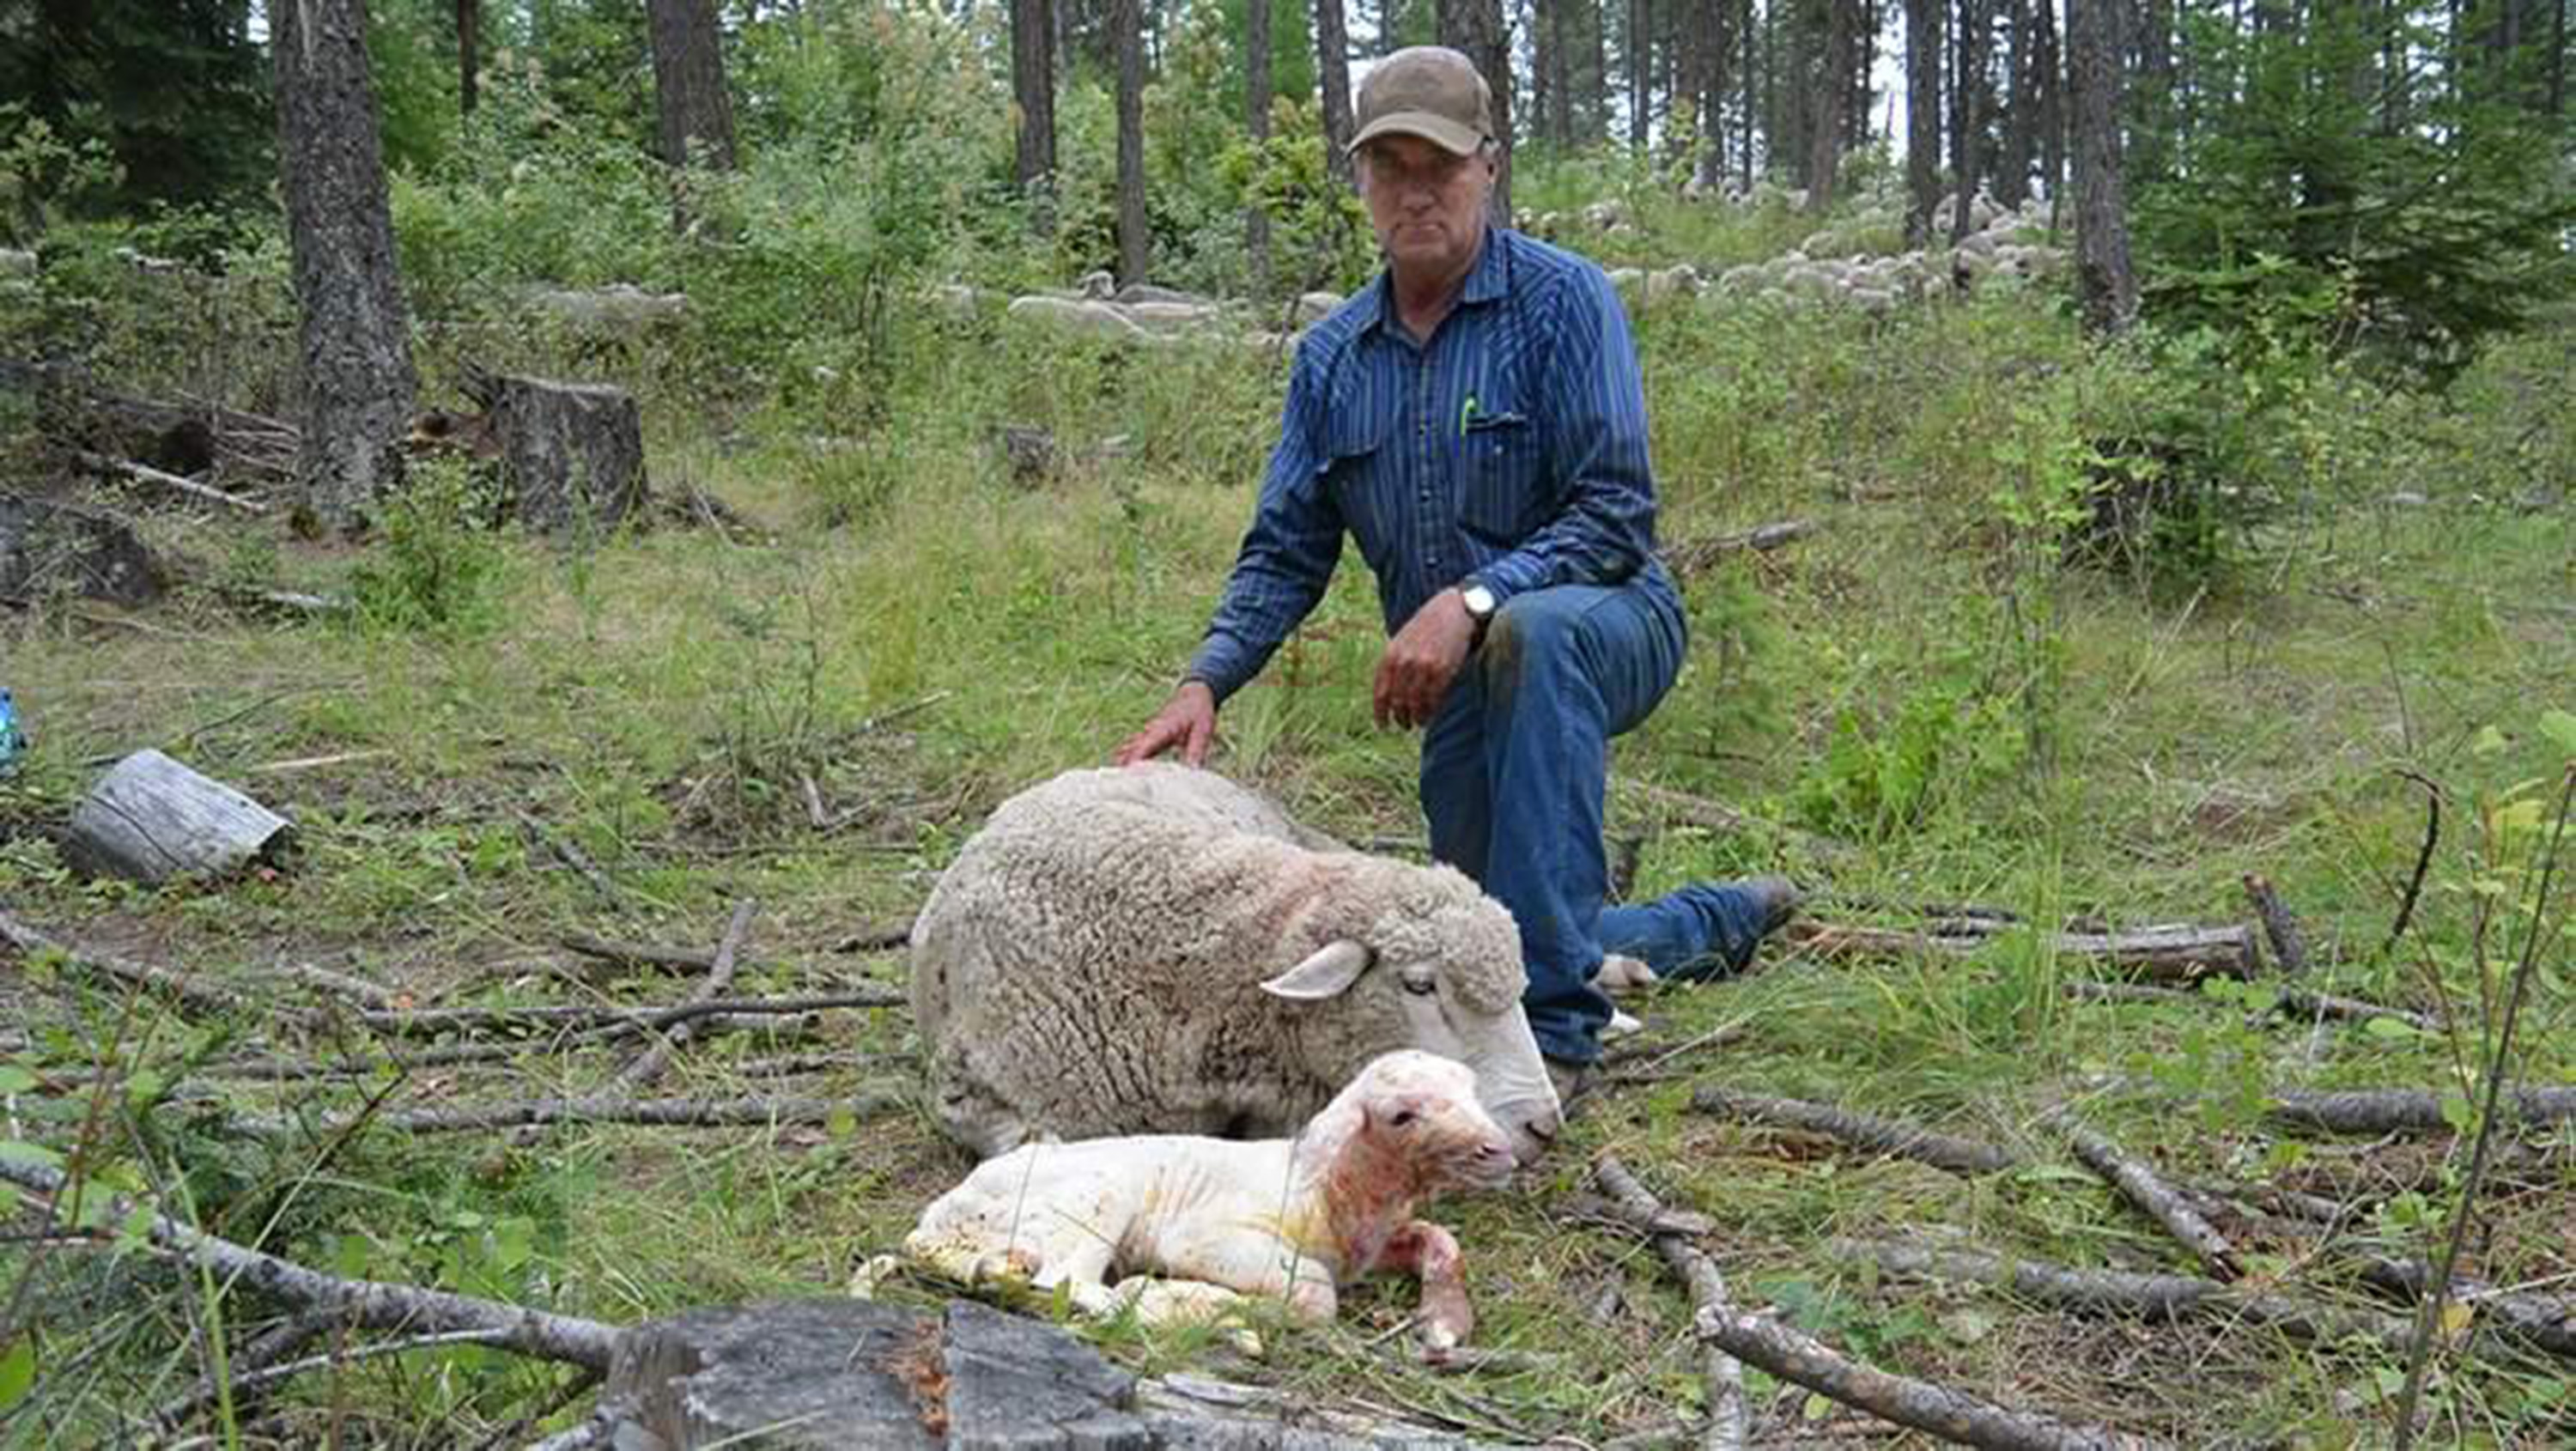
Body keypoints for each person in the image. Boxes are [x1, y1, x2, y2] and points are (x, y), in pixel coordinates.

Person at [1114, 46, 1797, 1109]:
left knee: (1534, 632)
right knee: (1500, 926)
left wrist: (1473, 598)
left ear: (1488, 165)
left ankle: (1564, 1046)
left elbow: (1617, 514)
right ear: (1363, 185)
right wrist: (1207, 679)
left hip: (1610, 620)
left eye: (1438, 161)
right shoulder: (1334, 358)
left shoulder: (1564, 302)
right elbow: (1287, 548)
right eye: (1389, 165)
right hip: (1465, 692)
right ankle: (1716, 918)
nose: (1416, 188)